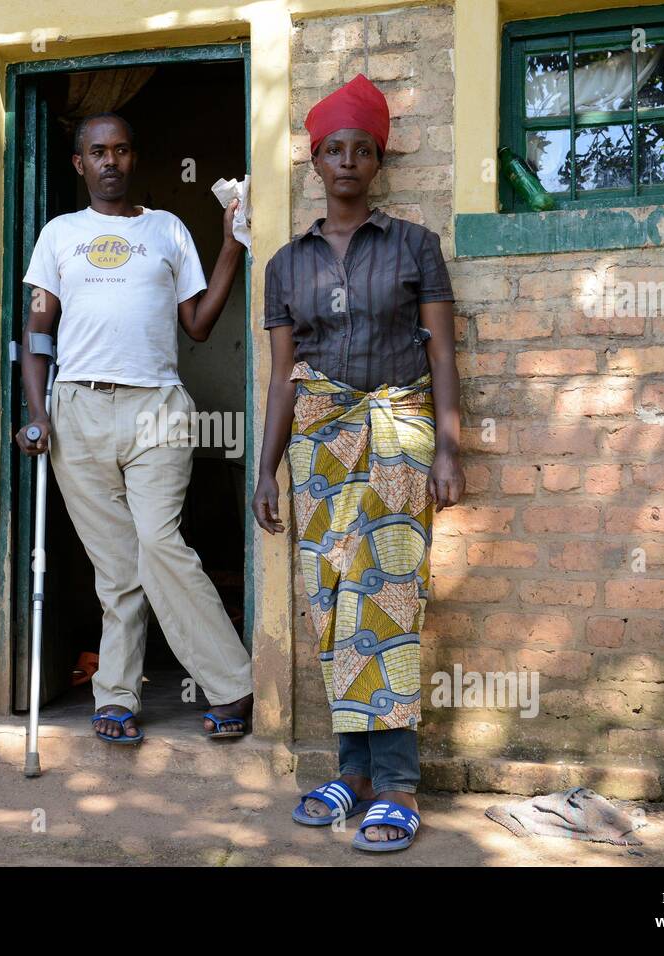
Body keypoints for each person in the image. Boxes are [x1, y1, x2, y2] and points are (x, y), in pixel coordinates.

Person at [253, 75, 465, 852]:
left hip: (399, 431)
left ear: (377, 162)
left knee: (390, 601)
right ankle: (354, 773)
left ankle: (399, 783)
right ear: (316, 161)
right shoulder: (285, 264)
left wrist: (448, 446)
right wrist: (266, 468)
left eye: (362, 150)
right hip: (317, 445)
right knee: (334, 602)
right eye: (334, 149)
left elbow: (442, 348)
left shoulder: (414, 246)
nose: (347, 161)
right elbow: (283, 376)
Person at [16, 112, 254, 744]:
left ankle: (233, 684)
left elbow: (198, 324)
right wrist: (38, 415)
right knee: (117, 571)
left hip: (158, 409)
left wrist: (231, 243)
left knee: (160, 544)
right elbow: (38, 329)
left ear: (134, 157)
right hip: (78, 408)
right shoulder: (59, 235)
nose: (110, 161)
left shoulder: (168, 230)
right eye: (97, 152)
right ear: (79, 163)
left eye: (121, 149)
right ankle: (116, 696)